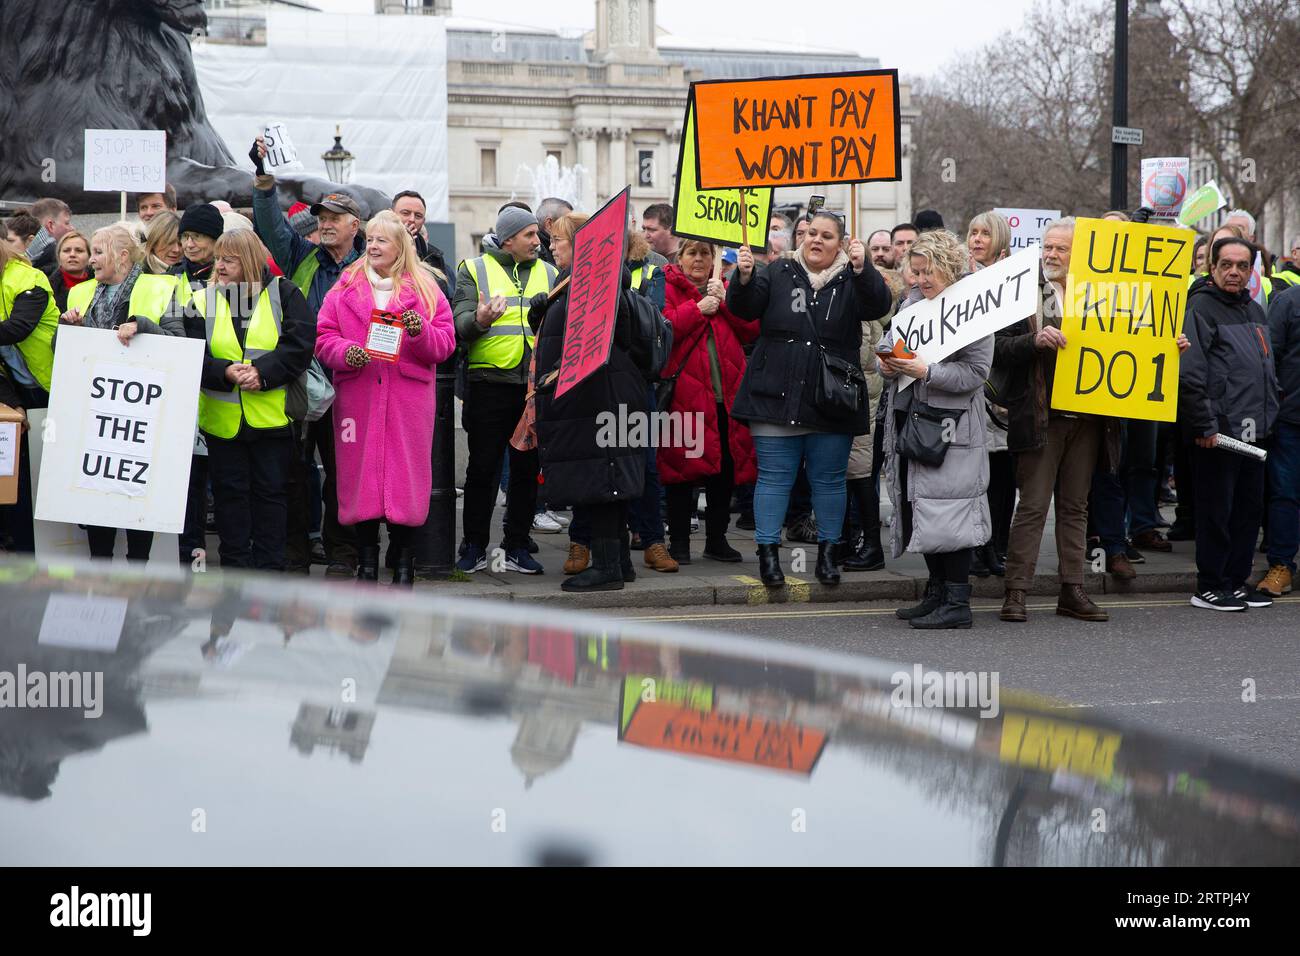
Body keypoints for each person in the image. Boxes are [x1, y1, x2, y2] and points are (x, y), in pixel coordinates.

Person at [728, 212, 892, 587]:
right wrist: (745, 276)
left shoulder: (854, 276)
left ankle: (829, 555)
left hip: (831, 397)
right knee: (773, 479)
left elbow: (879, 306)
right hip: (775, 394)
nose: (816, 240)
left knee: (829, 481)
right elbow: (744, 308)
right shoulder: (779, 271)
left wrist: (864, 267)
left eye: (827, 236)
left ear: (842, 242)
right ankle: (768, 557)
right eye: (812, 233)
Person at [315, 211, 457, 585]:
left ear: (400, 247)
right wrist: (347, 352)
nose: (373, 246)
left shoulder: (427, 290)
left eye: (382, 240)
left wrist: (419, 331)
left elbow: (444, 345)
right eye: (371, 239)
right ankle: (365, 562)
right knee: (358, 477)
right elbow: (324, 337)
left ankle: (405, 562)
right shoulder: (345, 287)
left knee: (405, 478)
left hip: (408, 400)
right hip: (358, 396)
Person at [251, 136, 364, 577]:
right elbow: (272, 227)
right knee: (295, 473)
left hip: (350, 383)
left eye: (336, 217)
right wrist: (263, 181)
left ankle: (342, 553)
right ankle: (295, 552)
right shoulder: (303, 256)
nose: (327, 223)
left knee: (342, 474)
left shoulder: (367, 268)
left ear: (356, 224)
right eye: (323, 217)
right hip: (301, 380)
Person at [994, 218, 1116, 623]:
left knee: (1075, 506)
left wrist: (1167, 349)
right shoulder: (1024, 293)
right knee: (1031, 505)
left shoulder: (1103, 294)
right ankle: (1016, 591)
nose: (1051, 255)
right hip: (1042, 416)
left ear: (1080, 254)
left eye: (1061, 249)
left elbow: (1131, 345)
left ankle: (1072, 589)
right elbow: (997, 349)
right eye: (1047, 247)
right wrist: (1034, 340)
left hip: (1088, 418)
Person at [182, 228, 316, 571]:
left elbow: (299, 346)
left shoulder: (286, 293)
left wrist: (263, 373)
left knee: (271, 497)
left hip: (272, 421)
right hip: (223, 423)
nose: (221, 266)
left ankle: (269, 573)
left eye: (230, 259)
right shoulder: (200, 299)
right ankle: (236, 571)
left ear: (251, 260)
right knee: (230, 499)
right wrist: (225, 372)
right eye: (219, 259)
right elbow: (191, 354)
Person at [879, 230, 992, 628]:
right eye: (917, 271)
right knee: (922, 508)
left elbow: (976, 373)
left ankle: (957, 603)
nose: (921, 280)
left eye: (929, 272)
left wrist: (927, 371)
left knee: (951, 511)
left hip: (952, 428)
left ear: (949, 267)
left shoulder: (972, 308)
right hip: (911, 417)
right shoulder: (912, 302)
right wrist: (887, 363)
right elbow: (888, 346)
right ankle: (937, 592)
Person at [61, 225, 187, 562]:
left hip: (142, 414)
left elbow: (180, 344)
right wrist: (69, 330)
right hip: (96, 412)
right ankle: (100, 572)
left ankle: (137, 572)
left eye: (98, 252)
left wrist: (143, 325)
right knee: (98, 492)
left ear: (121, 256)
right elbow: (70, 355)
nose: (90, 260)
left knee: (135, 494)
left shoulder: (165, 288)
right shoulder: (78, 294)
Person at [533, 256, 650, 593]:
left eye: (560, 241)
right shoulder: (579, 283)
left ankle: (607, 567)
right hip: (602, 394)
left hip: (599, 394)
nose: (552, 247)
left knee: (602, 479)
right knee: (608, 480)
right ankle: (619, 563)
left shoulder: (598, 283)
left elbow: (592, 341)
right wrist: (539, 313)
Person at [453, 204, 558, 574]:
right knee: (483, 470)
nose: (537, 241)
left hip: (533, 387)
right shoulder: (474, 268)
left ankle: (516, 546)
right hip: (488, 384)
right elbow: (459, 326)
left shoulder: (549, 271)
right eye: (530, 234)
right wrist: (479, 320)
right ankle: (474, 546)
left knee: (528, 470)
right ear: (509, 238)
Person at [1179, 236, 1278, 611]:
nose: (1234, 272)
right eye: (1226, 265)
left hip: (1256, 431)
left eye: (1241, 266)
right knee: (1216, 510)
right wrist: (1205, 426)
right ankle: (1210, 584)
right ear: (1212, 268)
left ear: (1251, 271)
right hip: (1219, 432)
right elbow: (1191, 373)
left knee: (1247, 510)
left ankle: (1236, 582)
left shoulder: (1254, 308)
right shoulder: (1200, 307)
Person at [658, 239, 757, 566]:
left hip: (726, 398)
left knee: (724, 472)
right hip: (685, 399)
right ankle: (680, 543)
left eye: (705, 253)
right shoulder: (665, 285)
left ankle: (717, 539)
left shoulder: (725, 288)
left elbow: (750, 330)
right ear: (680, 257)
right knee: (681, 472)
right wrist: (697, 308)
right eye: (692, 253)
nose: (699, 259)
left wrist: (726, 300)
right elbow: (662, 332)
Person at [0, 233, 60, 554]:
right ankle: (25, 548)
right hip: (19, 392)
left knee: (51, 471)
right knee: (18, 475)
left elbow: (18, 327)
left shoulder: (28, 278)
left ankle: (62, 549)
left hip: (56, 392)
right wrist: (14, 404)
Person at [965, 211, 1013, 577]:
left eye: (985, 234)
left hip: (1002, 395)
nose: (977, 239)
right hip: (968, 393)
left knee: (1000, 477)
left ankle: (997, 547)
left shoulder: (1016, 281)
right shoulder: (957, 277)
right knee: (971, 479)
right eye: (973, 233)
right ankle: (975, 548)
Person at [1258, 279, 1300, 596]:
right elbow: (1268, 358)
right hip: (1291, 419)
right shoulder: (1288, 302)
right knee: (1285, 493)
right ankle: (1281, 566)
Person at [392, 189, 452, 291]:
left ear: (423, 221)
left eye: (418, 216)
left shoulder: (434, 257)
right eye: (405, 213)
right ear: (391, 214)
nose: (412, 219)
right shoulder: (373, 247)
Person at [26, 198, 73, 276]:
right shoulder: (56, 259)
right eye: (67, 223)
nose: (72, 228)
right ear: (51, 225)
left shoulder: (20, 255)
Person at [47, 231, 92, 313]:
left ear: (89, 256)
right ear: (58, 256)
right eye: (66, 250)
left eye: (79, 250)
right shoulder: (46, 289)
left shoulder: (101, 286)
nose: (72, 254)